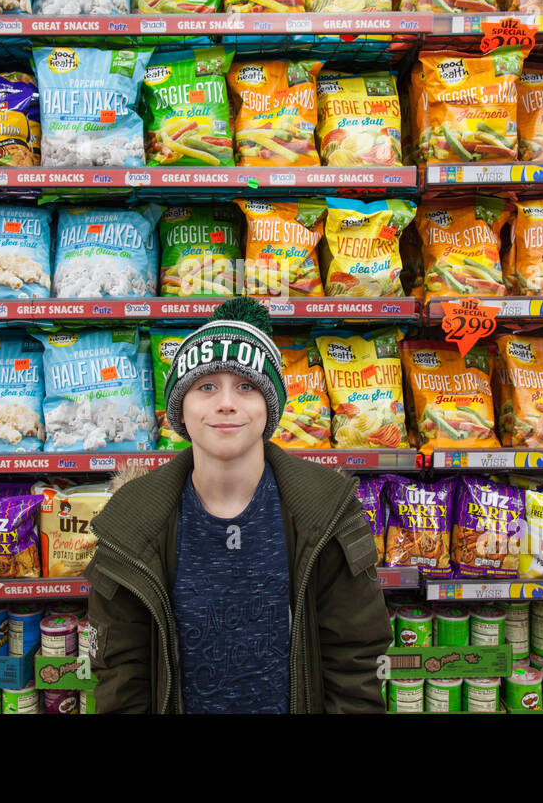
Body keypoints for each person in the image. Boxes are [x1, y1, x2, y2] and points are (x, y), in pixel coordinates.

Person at [85, 297, 392, 713]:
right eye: (206, 386)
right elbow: (119, 672)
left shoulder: (325, 510)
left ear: (270, 405)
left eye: (246, 386)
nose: (226, 402)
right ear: (180, 407)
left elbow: (356, 658)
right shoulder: (132, 523)